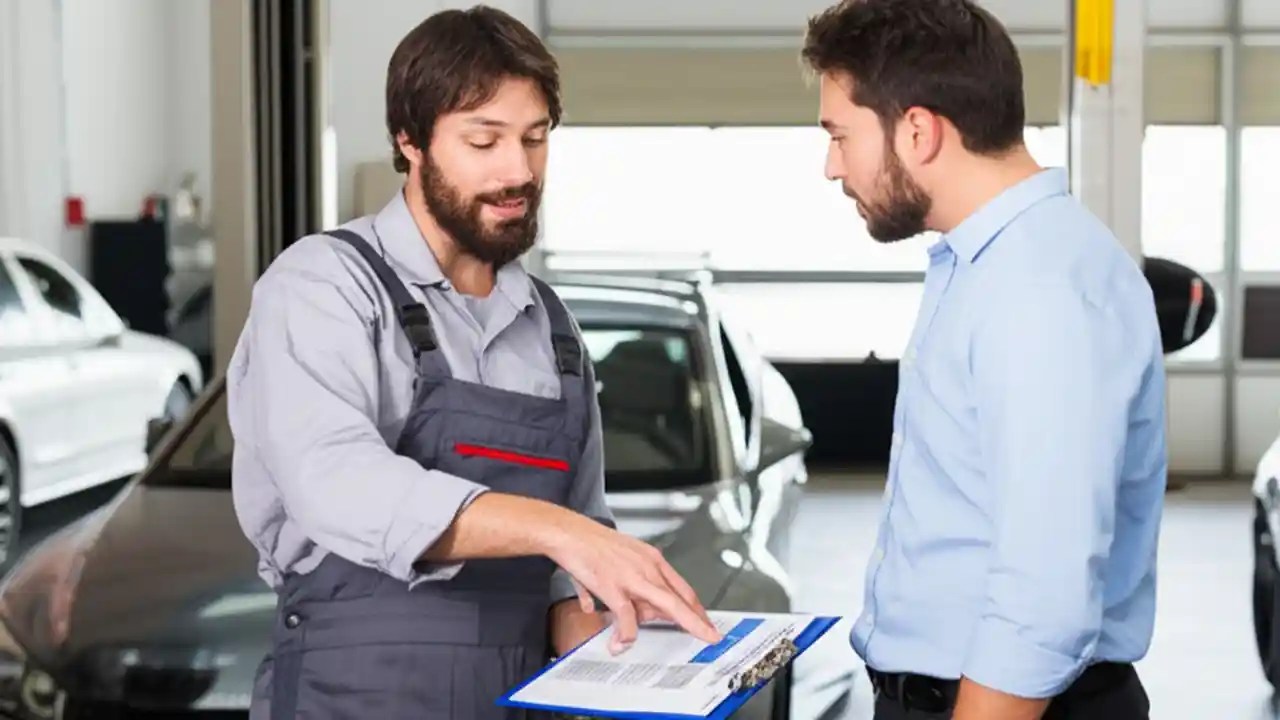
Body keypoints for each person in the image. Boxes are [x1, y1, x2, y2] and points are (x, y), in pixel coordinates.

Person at [226, 6, 721, 719]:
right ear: (410, 141)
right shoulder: (324, 285)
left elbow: (572, 561)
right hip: (354, 693)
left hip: (519, 697)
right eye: (484, 141)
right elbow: (335, 482)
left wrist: (637, 659)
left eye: (535, 138)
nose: (517, 170)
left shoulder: (553, 329)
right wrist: (563, 532)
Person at [801, 2, 1166, 719]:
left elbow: (1046, 588)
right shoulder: (989, 263)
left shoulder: (1038, 286)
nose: (830, 166)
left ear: (918, 130)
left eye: (840, 136)